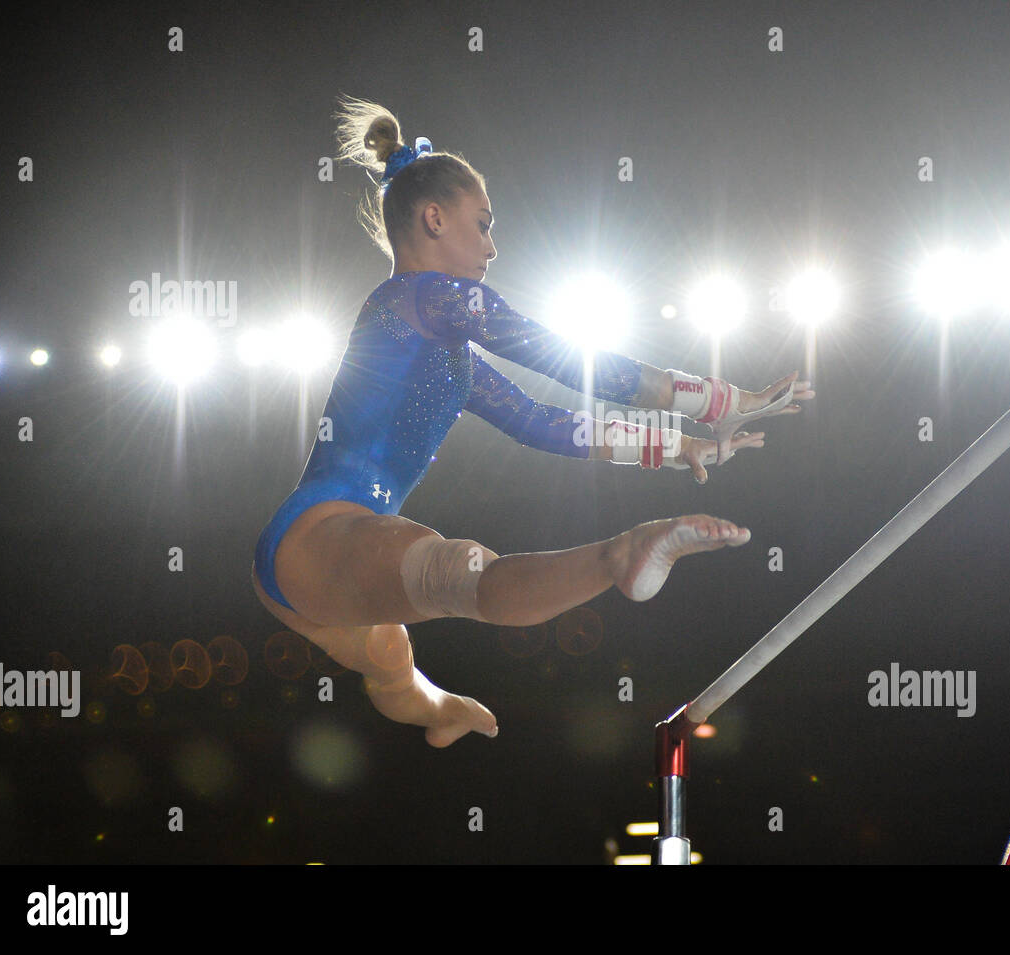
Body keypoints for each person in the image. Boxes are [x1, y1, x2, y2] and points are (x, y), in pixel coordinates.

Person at [250, 95, 814, 748]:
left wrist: (672, 444)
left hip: (316, 563)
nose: (493, 245)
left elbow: (545, 423)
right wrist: (717, 397)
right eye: (483, 224)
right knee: (453, 574)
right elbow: (559, 356)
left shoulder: (451, 359)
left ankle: (441, 710)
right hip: (319, 532)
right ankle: (618, 554)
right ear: (434, 218)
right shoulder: (423, 298)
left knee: (394, 666)